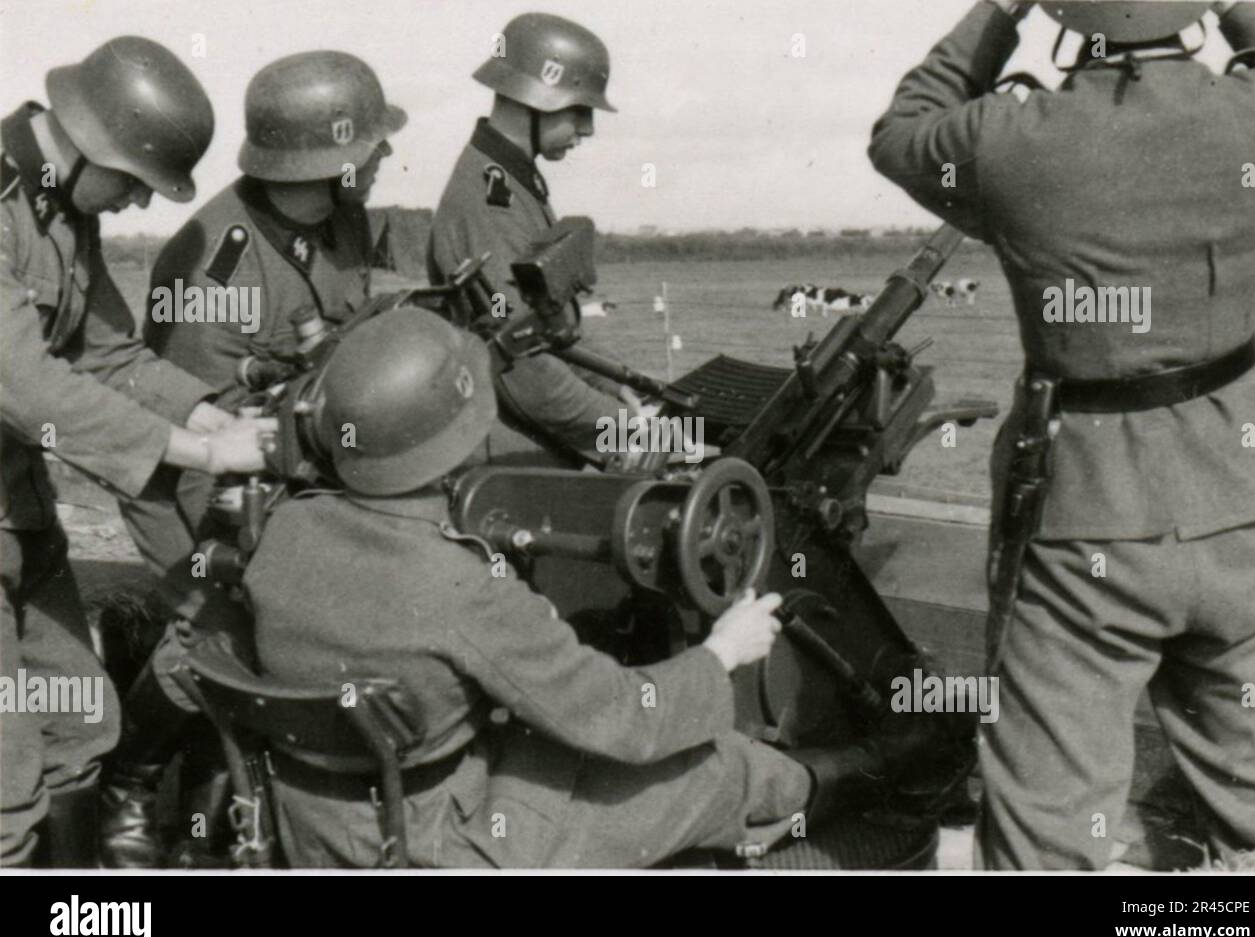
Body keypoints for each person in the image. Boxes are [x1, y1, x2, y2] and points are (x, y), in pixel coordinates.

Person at [244, 307, 897, 868]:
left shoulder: (285, 530)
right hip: (445, 843)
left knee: (552, 728)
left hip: (315, 824)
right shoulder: (460, 587)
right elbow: (625, 718)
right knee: (718, 767)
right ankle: (860, 776)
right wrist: (722, 651)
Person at [869, 1, 1255, 868]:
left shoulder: (1015, 138)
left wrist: (997, 11)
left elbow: (901, 132)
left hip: (1084, 511)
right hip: (1246, 495)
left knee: (1048, 826)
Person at [98, 50, 405, 868]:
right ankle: (129, 784)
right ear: (336, 161)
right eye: (373, 148)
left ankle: (218, 797)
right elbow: (184, 423)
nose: (384, 159)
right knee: (214, 625)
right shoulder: (218, 265)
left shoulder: (341, 222)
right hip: (188, 473)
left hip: (285, 466)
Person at [0, 36, 273, 867]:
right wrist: (198, 452)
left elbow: (107, 352)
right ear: (92, 143)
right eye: (132, 183)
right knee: (5, 780)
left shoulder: (61, 209)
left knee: (81, 721)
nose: (131, 207)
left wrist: (218, 419)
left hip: (20, 516)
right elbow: (24, 385)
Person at [428, 12, 633, 464]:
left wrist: (620, 384)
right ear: (535, 98)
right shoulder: (489, 202)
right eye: (580, 110)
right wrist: (629, 430)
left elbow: (553, 325)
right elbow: (527, 371)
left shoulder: (512, 183)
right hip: (507, 453)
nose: (587, 129)